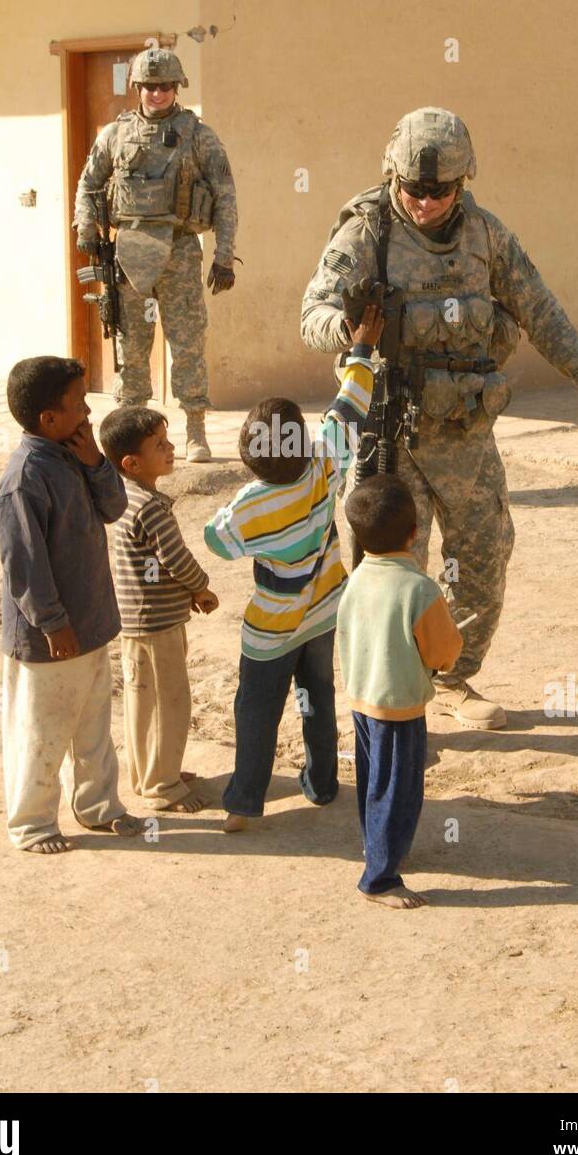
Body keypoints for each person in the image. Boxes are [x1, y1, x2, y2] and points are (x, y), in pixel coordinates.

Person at [301, 107, 578, 730]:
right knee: (389, 572)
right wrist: (344, 325)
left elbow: (538, 306)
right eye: (413, 189)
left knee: (486, 552)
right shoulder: (366, 233)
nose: (423, 202)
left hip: (464, 429)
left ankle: (452, 677)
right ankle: (388, 702)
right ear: (393, 175)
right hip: (389, 435)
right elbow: (311, 312)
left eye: (439, 190)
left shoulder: (486, 235)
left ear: (463, 182)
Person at [203, 304, 384, 832]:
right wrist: (361, 351)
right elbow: (350, 406)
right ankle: (323, 784)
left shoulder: (250, 507)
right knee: (318, 702)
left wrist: (241, 499)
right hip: (324, 615)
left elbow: (218, 541)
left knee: (256, 713)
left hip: (271, 632)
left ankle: (242, 802)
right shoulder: (326, 460)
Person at [0, 356, 141, 853]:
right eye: (78, 405)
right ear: (47, 419)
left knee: (93, 724)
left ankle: (99, 806)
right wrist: (53, 624)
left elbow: (115, 508)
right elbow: (25, 567)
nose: (88, 413)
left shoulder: (76, 453)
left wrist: (98, 462)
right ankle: (32, 823)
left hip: (91, 623)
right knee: (42, 730)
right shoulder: (24, 479)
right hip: (51, 637)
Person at [73, 46, 239, 463]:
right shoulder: (115, 134)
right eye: (149, 86)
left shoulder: (199, 136)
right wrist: (87, 227)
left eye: (165, 85)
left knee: (187, 343)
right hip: (128, 251)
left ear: (177, 87)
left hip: (180, 250)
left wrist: (224, 254)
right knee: (131, 346)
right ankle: (132, 433)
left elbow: (225, 196)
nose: (157, 93)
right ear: (137, 87)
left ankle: (195, 431)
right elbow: (89, 184)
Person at [338, 474, 462, 909]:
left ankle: (376, 848)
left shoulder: (355, 579)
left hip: (361, 699)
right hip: (400, 707)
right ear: (415, 532)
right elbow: (445, 652)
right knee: (399, 789)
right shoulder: (420, 590)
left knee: (372, 782)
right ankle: (380, 879)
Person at [99, 405, 219, 815]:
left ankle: (148, 774)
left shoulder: (123, 497)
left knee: (142, 701)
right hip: (158, 622)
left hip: (136, 621)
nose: (170, 450)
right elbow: (176, 558)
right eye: (160, 445)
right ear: (132, 462)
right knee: (170, 702)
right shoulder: (151, 506)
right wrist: (201, 588)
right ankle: (163, 786)